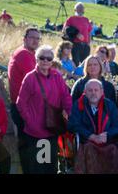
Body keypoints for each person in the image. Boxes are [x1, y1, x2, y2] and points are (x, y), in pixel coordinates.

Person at [16, 45, 73, 174]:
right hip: (36, 132)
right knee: (38, 167)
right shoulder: (30, 78)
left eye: (49, 58)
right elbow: (21, 103)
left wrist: (68, 112)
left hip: (52, 129)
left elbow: (66, 96)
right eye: (42, 58)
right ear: (37, 59)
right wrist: (31, 122)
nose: (46, 61)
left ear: (52, 61)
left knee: (50, 165)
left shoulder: (56, 77)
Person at [67, 79, 118, 174]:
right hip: (86, 141)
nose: (93, 93)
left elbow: (117, 125)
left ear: (102, 92)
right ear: (85, 92)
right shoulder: (78, 105)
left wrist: (107, 135)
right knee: (89, 149)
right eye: (90, 90)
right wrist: (90, 136)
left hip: (108, 141)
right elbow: (73, 124)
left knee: (113, 149)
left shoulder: (109, 105)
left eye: (96, 90)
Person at [7, 27, 41, 174]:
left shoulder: (29, 54)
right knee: (29, 147)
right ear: (24, 39)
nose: (35, 40)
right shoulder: (24, 54)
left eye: (37, 38)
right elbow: (37, 81)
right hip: (25, 109)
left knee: (30, 147)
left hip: (25, 107)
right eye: (32, 37)